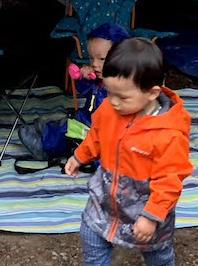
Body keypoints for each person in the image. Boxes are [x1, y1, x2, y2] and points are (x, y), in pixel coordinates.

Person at [57, 37, 193, 266]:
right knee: (92, 231)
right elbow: (97, 135)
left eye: (123, 97)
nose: (114, 102)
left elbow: (171, 178)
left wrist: (152, 215)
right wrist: (80, 156)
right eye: (109, 93)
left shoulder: (168, 133)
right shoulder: (109, 109)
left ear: (152, 92)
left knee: (155, 249)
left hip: (145, 199)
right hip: (107, 191)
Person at [17, 22, 132, 163]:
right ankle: (48, 131)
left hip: (98, 132)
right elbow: (85, 91)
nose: (95, 64)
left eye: (101, 59)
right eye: (91, 58)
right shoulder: (100, 79)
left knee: (67, 130)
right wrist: (83, 78)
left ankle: (44, 148)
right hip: (87, 120)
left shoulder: (121, 87)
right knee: (67, 121)